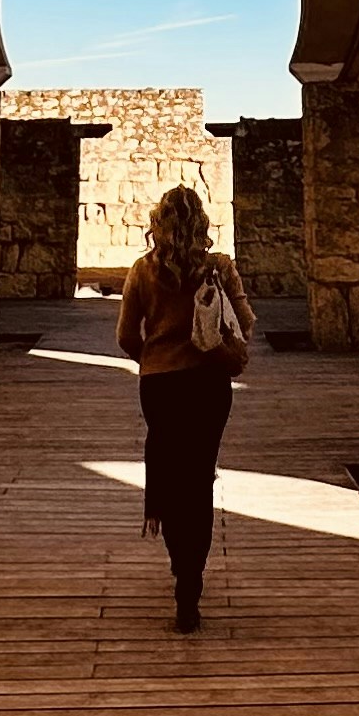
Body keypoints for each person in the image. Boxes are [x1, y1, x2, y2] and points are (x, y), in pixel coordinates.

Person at [116, 183, 251, 633]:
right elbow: (245, 322)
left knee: (171, 476)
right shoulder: (219, 268)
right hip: (208, 384)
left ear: (159, 223)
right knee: (199, 479)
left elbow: (126, 337)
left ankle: (180, 568)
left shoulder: (141, 271)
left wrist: (153, 360)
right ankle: (190, 584)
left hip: (160, 386)